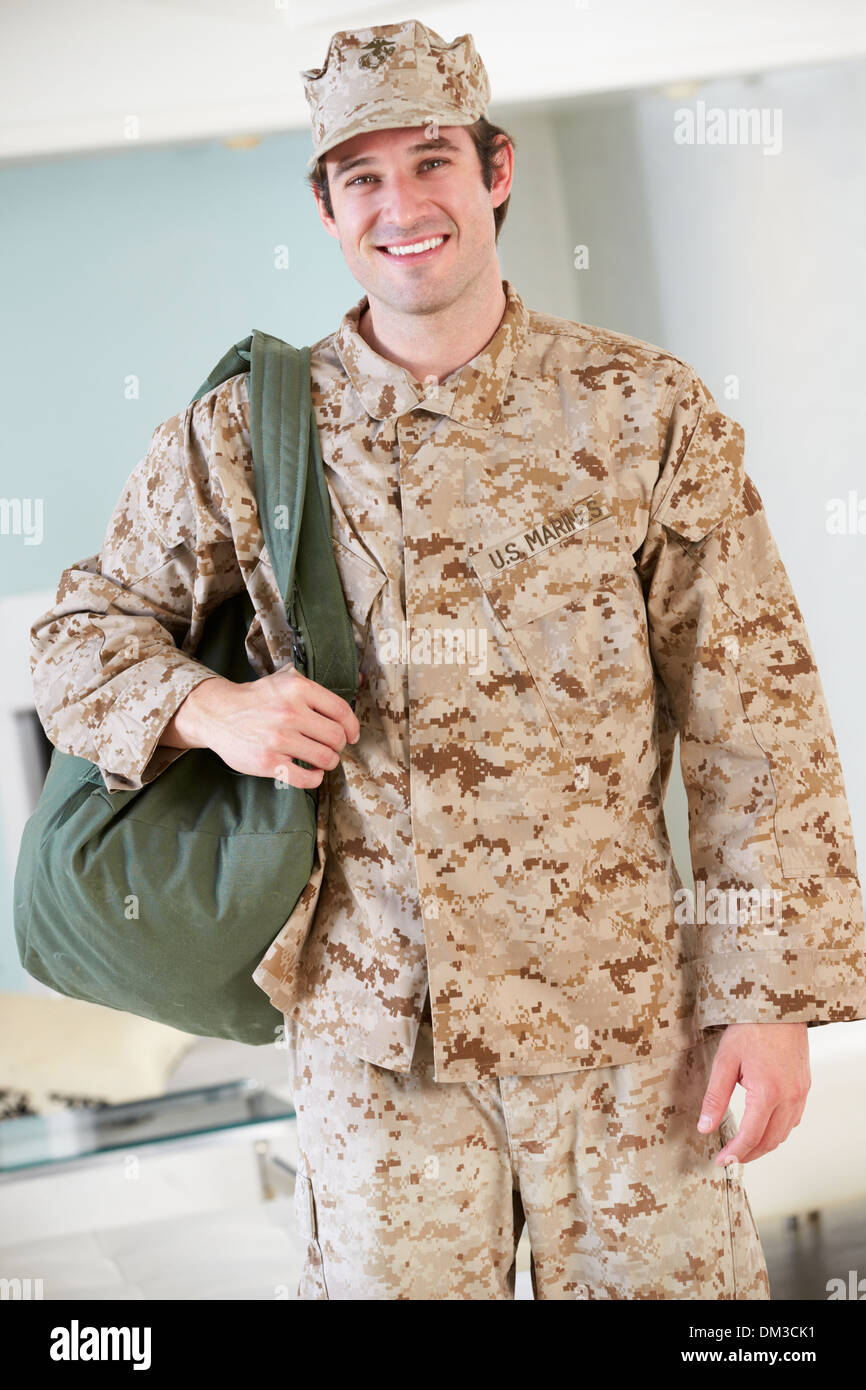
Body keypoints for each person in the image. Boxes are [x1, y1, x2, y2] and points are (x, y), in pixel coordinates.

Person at [31, 20, 866, 1299]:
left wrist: (766, 999)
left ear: (495, 171)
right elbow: (75, 640)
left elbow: (752, 718)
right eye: (361, 177)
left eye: (429, 162)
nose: (401, 205)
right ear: (324, 207)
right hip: (376, 1047)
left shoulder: (643, 411)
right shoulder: (242, 436)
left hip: (625, 1037)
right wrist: (213, 709)